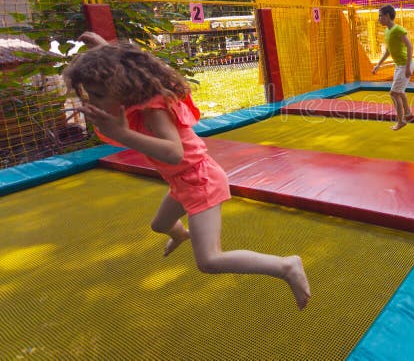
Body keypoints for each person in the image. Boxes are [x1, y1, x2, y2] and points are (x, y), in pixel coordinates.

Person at [63, 32, 311, 310]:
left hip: (199, 181)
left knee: (209, 261)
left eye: (97, 95)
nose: (92, 102)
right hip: (181, 181)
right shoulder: (133, 92)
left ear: (121, 87)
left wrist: (121, 132)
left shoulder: (151, 110)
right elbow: (126, 69)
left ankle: (286, 266)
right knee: (160, 226)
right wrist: (106, 50)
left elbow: (173, 152)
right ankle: (181, 234)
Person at [372, 5, 414, 130]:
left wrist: (407, 67)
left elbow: (410, 46)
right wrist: (378, 65)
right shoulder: (387, 31)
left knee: (393, 93)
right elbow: (388, 51)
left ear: (388, 16)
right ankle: (408, 113)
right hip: (399, 65)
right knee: (399, 92)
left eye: (380, 16)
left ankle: (401, 121)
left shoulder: (398, 30)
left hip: (405, 64)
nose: (379, 19)